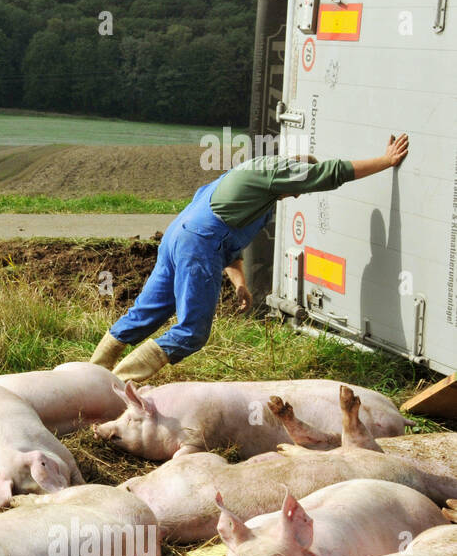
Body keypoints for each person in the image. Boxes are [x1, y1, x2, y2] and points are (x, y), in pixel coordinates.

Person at [90, 135, 411, 382]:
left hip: (179, 237)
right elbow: (330, 174)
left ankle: (91, 376)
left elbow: (228, 245)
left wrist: (240, 284)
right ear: (296, 171)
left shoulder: (255, 187)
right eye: (299, 187)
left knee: (146, 314)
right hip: (197, 244)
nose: (298, 195)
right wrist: (385, 161)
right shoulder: (275, 170)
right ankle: (118, 384)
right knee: (192, 332)